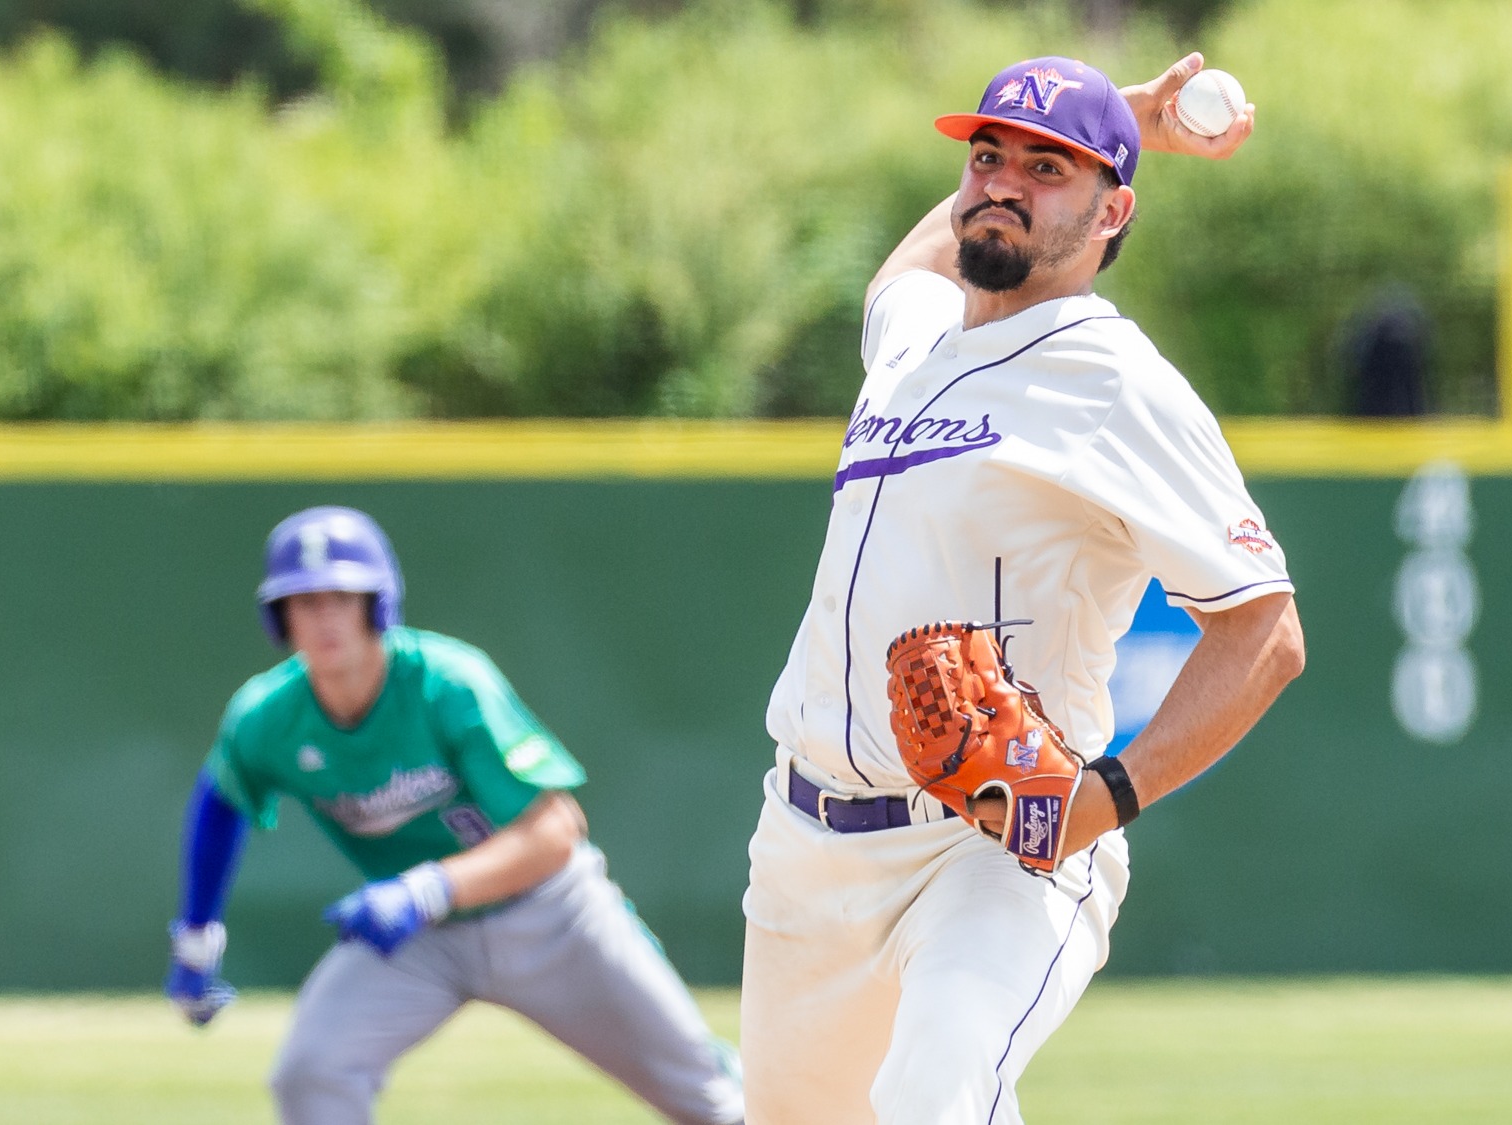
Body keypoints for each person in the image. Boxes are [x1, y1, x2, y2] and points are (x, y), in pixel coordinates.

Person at [738, 54, 1307, 1124]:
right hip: (804, 845)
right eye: (986, 157)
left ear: (1113, 211)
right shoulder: (914, 342)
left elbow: (1265, 633)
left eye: (1048, 169)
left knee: (934, 1096)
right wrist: (1123, 115)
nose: (1001, 183)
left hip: (991, 841)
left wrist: (1101, 799)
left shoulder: (1116, 383)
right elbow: (905, 267)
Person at [163, 505, 744, 1125]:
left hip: (549, 914)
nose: (325, 617)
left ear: (376, 603)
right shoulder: (267, 716)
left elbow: (555, 830)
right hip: (420, 940)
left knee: (709, 1098)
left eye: (342, 597)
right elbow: (221, 802)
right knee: (311, 1072)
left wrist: (426, 889)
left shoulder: (448, 683)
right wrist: (197, 938)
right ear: (279, 616)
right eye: (305, 602)